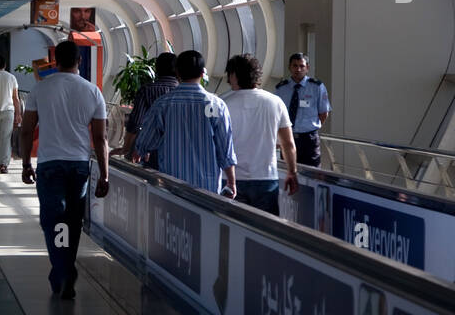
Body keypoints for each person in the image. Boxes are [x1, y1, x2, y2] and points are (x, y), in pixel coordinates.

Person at [20, 39, 109, 299]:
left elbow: (26, 130)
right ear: (79, 61)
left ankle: (62, 271)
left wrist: (26, 163)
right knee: (72, 222)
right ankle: (64, 270)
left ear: (55, 61)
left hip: (49, 165)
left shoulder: (41, 89)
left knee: (53, 221)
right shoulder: (93, 92)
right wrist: (104, 174)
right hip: (79, 166)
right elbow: (101, 139)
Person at [135, 50, 237, 196]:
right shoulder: (215, 105)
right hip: (206, 188)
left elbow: (145, 141)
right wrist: (231, 182)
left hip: (171, 187)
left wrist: (140, 152)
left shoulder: (163, 104)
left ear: (177, 72)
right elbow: (225, 147)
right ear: (203, 73)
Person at [223, 53, 300, 215]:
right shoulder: (275, 102)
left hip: (230, 179)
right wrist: (292, 172)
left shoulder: (222, 103)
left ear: (234, 75)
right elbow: (288, 144)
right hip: (266, 179)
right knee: (265, 233)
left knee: (232, 230)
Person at [272, 53, 332, 167]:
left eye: (302, 66)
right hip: (288, 137)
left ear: (307, 68)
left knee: (312, 175)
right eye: (294, 66)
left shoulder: (317, 87)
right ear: (289, 67)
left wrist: (309, 127)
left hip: (309, 140)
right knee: (289, 172)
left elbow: (324, 113)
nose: (298, 69)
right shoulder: (281, 88)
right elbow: (276, 115)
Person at [119, 52, 177, 166]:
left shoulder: (147, 90)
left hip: (149, 154)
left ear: (156, 69)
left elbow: (135, 123)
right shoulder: (183, 94)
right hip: (176, 153)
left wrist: (125, 148)